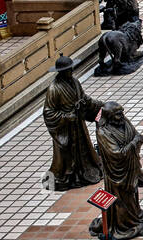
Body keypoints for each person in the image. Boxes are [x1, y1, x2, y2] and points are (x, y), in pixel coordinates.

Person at [90, 102, 143, 240]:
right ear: (109, 116)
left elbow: (136, 134)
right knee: (121, 200)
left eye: (121, 113)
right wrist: (134, 143)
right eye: (117, 114)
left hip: (130, 167)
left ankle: (135, 216)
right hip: (117, 174)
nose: (121, 116)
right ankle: (124, 224)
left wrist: (135, 140)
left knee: (132, 196)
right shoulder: (103, 132)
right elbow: (117, 153)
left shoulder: (123, 122)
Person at [42, 56, 102, 191]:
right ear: (62, 71)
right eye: (68, 69)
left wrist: (98, 105)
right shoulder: (54, 89)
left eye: (71, 69)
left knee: (84, 149)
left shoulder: (74, 82)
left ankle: (84, 172)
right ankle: (67, 175)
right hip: (66, 127)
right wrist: (66, 116)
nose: (71, 71)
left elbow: (84, 98)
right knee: (66, 154)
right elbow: (48, 112)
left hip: (78, 124)